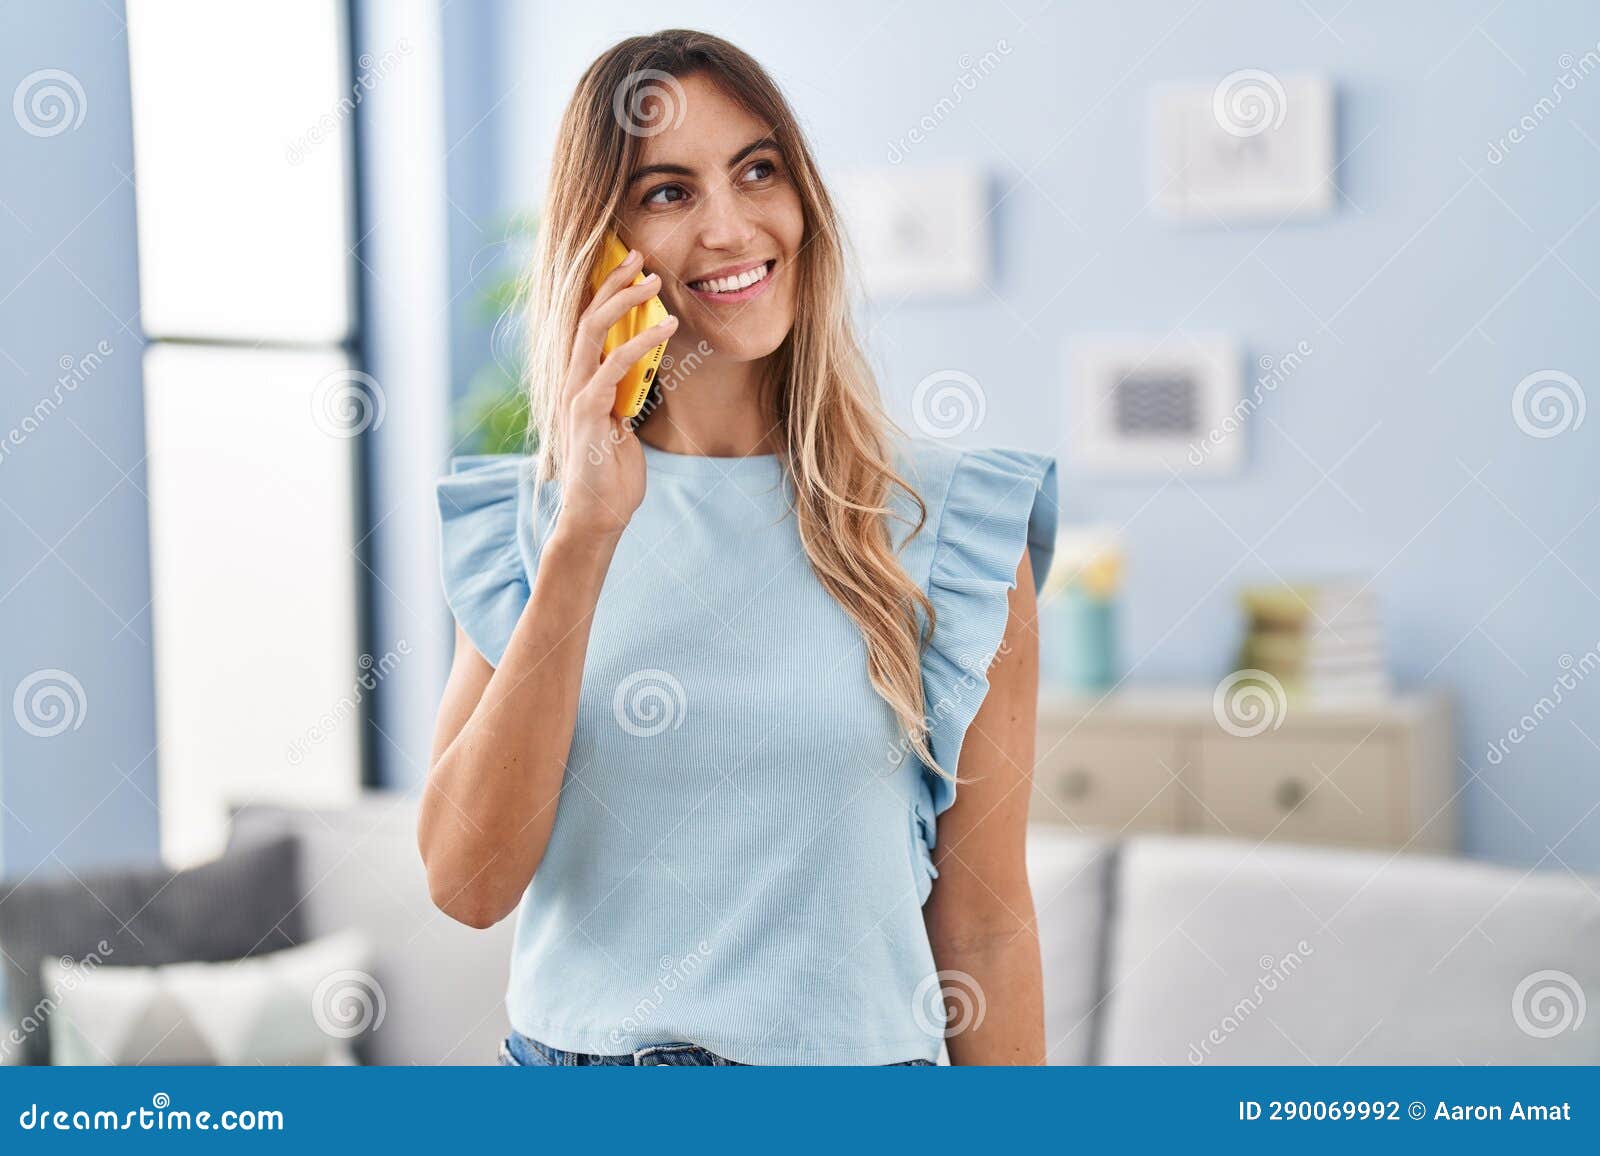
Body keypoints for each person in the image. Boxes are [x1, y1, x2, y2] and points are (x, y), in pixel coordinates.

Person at [419, 28, 1058, 1066]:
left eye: (757, 171)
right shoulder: (530, 524)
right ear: (604, 243)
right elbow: (467, 884)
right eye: (668, 192)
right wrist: (585, 534)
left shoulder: (952, 523)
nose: (728, 227)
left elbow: (985, 927)